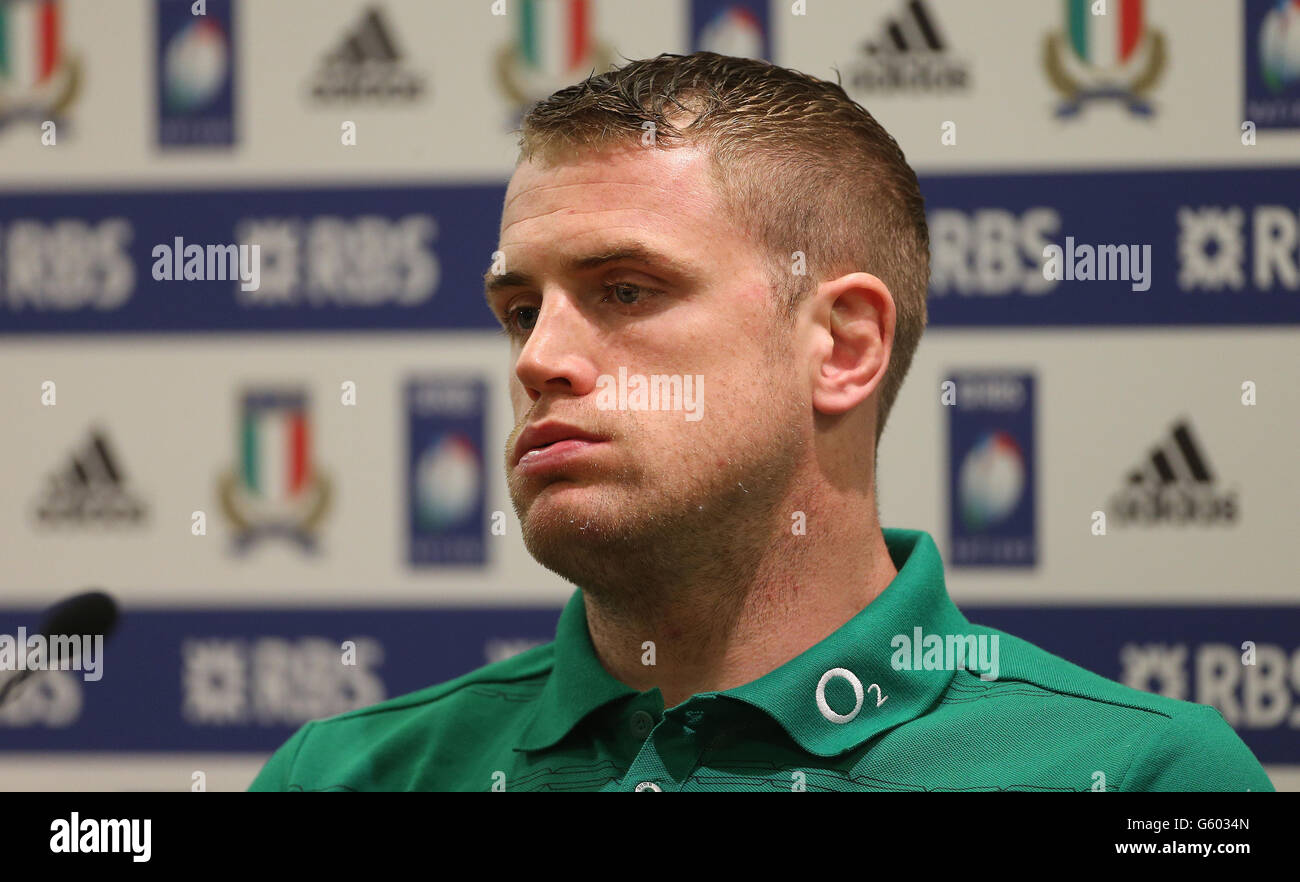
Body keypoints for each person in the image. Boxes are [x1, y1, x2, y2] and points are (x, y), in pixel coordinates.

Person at [249, 52, 1272, 792]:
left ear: (842, 346)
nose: (537, 359)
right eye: (521, 310)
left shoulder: (1144, 777)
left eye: (625, 291)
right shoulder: (340, 775)